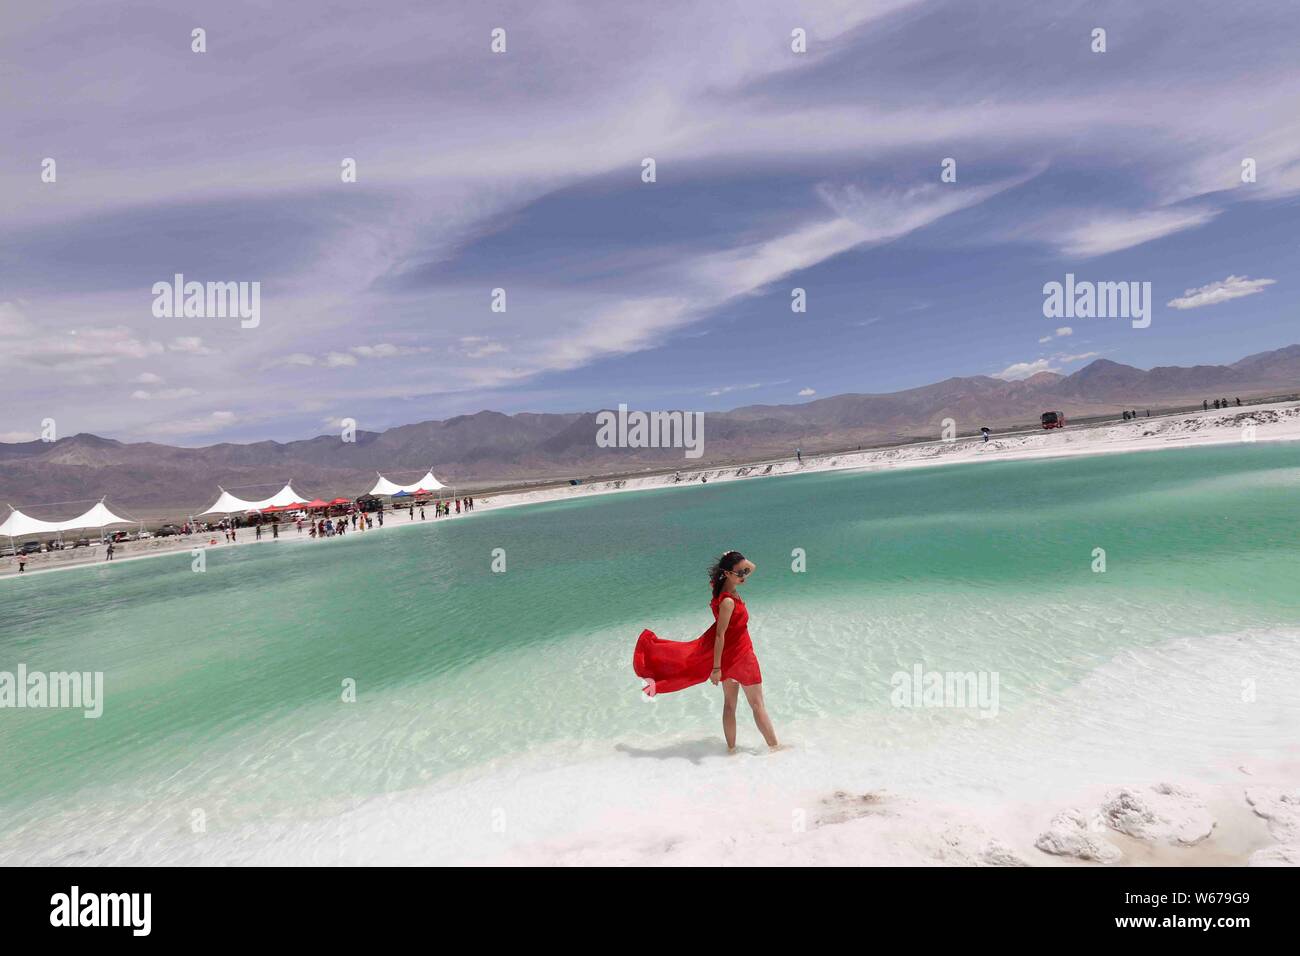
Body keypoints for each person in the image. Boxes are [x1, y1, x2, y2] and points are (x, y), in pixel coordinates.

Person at [633, 550, 779, 752]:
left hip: (731, 657)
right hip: (741, 657)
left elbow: (752, 566)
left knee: (730, 704)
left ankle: (731, 751)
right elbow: (720, 635)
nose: (744, 575)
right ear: (727, 574)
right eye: (739, 572)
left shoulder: (720, 589)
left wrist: (735, 557)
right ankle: (775, 748)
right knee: (757, 705)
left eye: (743, 572)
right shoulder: (728, 601)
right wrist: (716, 669)